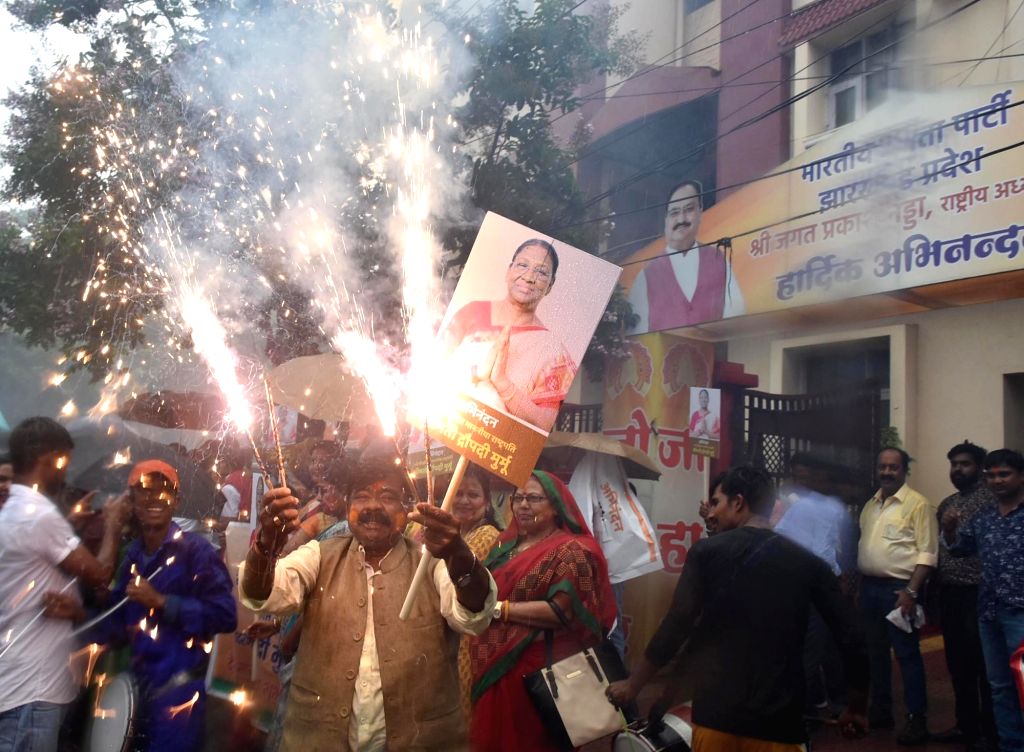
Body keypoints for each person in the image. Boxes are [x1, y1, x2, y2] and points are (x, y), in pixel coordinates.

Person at [240, 447, 496, 751]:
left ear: (406, 507)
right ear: (348, 504)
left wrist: (459, 554)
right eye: (361, 496)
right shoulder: (319, 555)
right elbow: (262, 593)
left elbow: (474, 616)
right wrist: (266, 543)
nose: (373, 506)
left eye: (387, 496)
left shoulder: (432, 564)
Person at [607, 465, 868, 750]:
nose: (711, 514)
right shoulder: (809, 564)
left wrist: (633, 685)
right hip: (780, 726)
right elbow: (852, 637)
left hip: (716, 721)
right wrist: (857, 707)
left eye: (716, 503)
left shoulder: (706, 552)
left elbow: (678, 624)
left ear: (738, 502)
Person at [82, 459, 237, 752]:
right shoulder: (131, 557)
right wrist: (78, 615)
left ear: (176, 501)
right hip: (134, 699)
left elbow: (226, 615)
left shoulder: (196, 551)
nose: (155, 497)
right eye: (145, 490)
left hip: (179, 702)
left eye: (164, 490)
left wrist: (162, 602)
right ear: (131, 502)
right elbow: (117, 628)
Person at [0, 417, 129, 752]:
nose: (66, 472)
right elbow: (101, 573)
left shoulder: (16, 509)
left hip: (21, 683)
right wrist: (113, 525)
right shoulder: (39, 514)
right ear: (48, 459)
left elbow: (37, 551)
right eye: (64, 463)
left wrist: (70, 526)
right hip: (31, 690)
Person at [468, 470, 617, 752]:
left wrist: (498, 610)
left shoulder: (572, 550)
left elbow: (561, 612)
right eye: (518, 498)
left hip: (537, 670)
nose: (523, 505)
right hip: (494, 661)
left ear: (556, 506)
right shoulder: (505, 547)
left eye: (534, 498)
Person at [442, 238, 576, 432]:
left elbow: (545, 423)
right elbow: (432, 368)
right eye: (523, 265)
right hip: (442, 430)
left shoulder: (554, 352)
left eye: (541, 272)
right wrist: (475, 374)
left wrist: (502, 382)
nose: (529, 277)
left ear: (550, 285)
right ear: (509, 270)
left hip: (496, 445)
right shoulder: (471, 313)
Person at [943, 449, 1024, 752]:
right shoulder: (985, 517)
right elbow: (959, 549)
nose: (997, 480)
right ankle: (1010, 745)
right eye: (992, 475)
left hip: (1021, 613)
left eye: (1005, 474)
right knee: (999, 686)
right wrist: (949, 530)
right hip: (989, 613)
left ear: (1021, 477)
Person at [857, 447, 937, 745]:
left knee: (907, 655)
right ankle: (881, 711)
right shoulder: (870, 505)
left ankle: (917, 719)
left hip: (900, 591)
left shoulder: (918, 504)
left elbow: (928, 553)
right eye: (883, 467)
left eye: (893, 467)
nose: (887, 472)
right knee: (875, 654)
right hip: (869, 589)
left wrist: (911, 592)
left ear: (904, 471)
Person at [774, 453, 856, 724]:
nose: (803, 480)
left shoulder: (814, 506)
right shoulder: (821, 506)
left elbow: (782, 539)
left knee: (814, 647)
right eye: (799, 475)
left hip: (817, 582)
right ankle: (820, 701)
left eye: (806, 475)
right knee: (820, 645)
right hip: (817, 582)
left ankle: (805, 706)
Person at [934, 441, 997, 750]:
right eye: (954, 464)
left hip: (979, 593)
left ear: (980, 468)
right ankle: (966, 725)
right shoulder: (947, 503)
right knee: (957, 664)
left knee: (983, 665)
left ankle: (990, 730)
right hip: (951, 593)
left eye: (965, 464)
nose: (958, 469)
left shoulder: (991, 500)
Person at [627, 180, 745, 333]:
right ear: (666, 219)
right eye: (674, 212)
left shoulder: (718, 261)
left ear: (700, 211)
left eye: (689, 209)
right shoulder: (647, 275)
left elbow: (737, 317)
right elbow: (636, 335)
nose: (681, 219)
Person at [447, 467, 501, 724]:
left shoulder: (487, 535)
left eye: (473, 495)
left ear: (487, 502)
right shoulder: (452, 534)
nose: (464, 501)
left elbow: (449, 577)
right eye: (458, 493)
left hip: (469, 637)